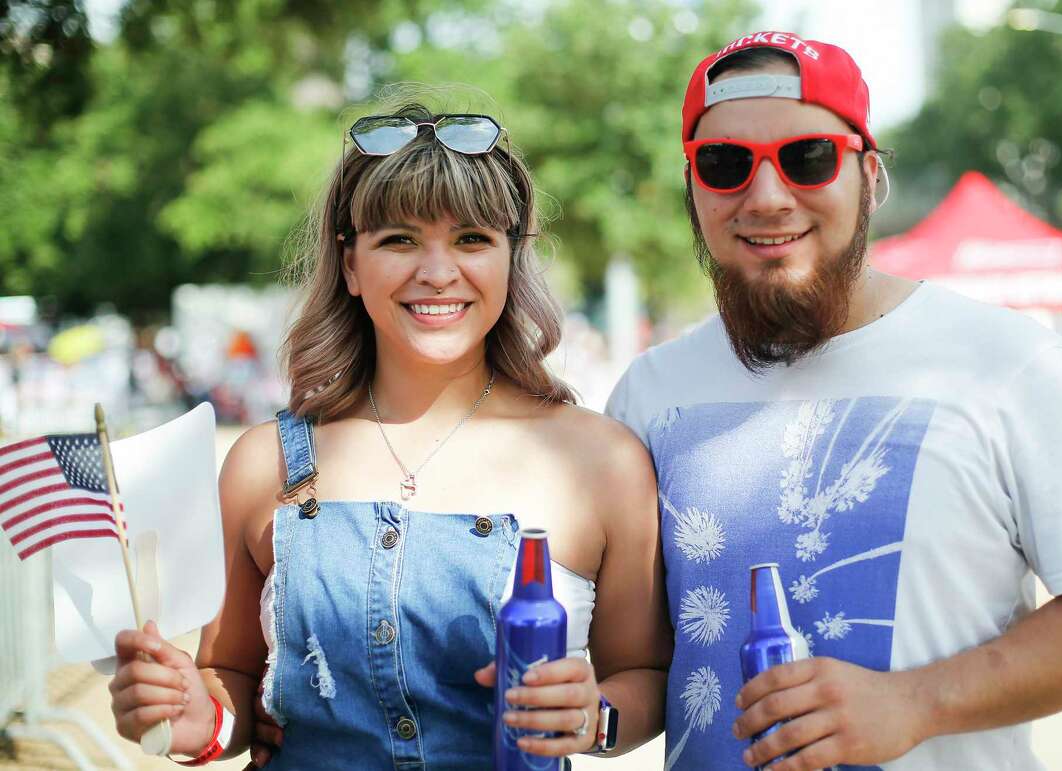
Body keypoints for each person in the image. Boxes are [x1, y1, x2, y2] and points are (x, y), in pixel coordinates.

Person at [604, 32, 1062, 770]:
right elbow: (646, 668)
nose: (766, 197)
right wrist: (589, 715)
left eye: (808, 157)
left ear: (869, 177)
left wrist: (914, 701)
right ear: (693, 188)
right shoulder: (649, 392)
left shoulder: (1006, 362)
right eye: (725, 163)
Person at [107, 94, 672, 769]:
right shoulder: (262, 464)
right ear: (350, 263)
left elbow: (646, 675)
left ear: (512, 258)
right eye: (399, 239)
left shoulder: (604, 462)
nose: (437, 272)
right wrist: (194, 718)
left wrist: (593, 715)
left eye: (472, 238)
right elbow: (226, 678)